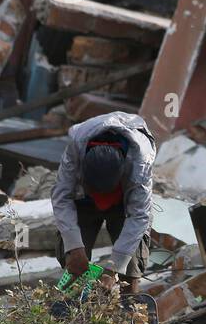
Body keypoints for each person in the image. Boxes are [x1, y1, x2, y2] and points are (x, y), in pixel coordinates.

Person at [52, 112, 156, 294]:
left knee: (129, 270)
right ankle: (71, 307)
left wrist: (114, 267)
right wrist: (74, 247)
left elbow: (139, 216)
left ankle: (129, 307)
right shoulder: (76, 147)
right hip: (84, 201)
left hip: (124, 204)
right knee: (74, 262)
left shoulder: (140, 164)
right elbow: (62, 197)